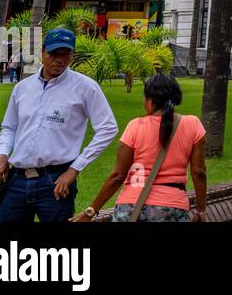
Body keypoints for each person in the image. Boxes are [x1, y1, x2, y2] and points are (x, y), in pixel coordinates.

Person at [0, 27, 119, 222]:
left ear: (72, 54)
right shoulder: (23, 87)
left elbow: (108, 128)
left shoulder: (85, 87)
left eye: (66, 54)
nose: (60, 59)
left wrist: (74, 170)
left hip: (56, 182)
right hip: (16, 181)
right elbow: (9, 127)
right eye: (54, 53)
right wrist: (1, 156)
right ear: (42, 52)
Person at [74, 73, 208, 223]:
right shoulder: (193, 124)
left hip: (130, 207)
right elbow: (198, 172)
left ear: (150, 100)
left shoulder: (135, 126)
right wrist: (201, 210)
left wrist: (91, 211)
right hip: (172, 209)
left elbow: (118, 175)